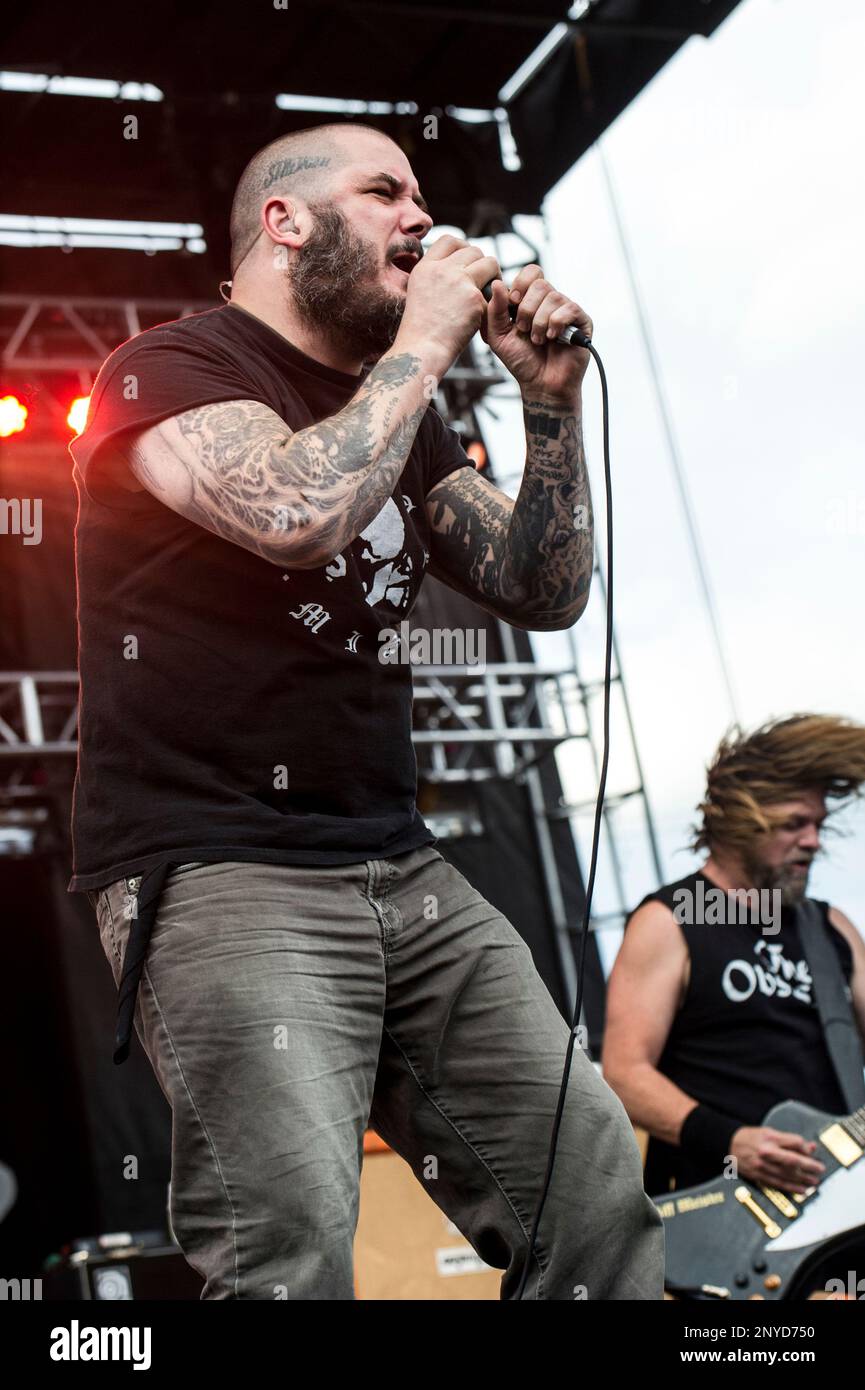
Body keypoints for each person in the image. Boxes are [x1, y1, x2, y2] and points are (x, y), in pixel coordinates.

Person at [68, 121, 663, 1300]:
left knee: (591, 1186)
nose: (418, 220)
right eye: (384, 191)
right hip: (220, 864)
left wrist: (549, 409)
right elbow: (297, 511)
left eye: (421, 196)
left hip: (397, 860)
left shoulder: (404, 405)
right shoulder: (170, 368)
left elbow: (539, 589)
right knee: (290, 1250)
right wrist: (434, 338)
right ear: (286, 222)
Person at [603, 714, 865, 1199]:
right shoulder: (670, 921)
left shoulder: (831, 929)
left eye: (818, 825)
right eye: (794, 824)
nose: (813, 840)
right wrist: (730, 1142)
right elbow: (624, 1073)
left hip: (839, 1201)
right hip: (723, 1210)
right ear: (742, 821)